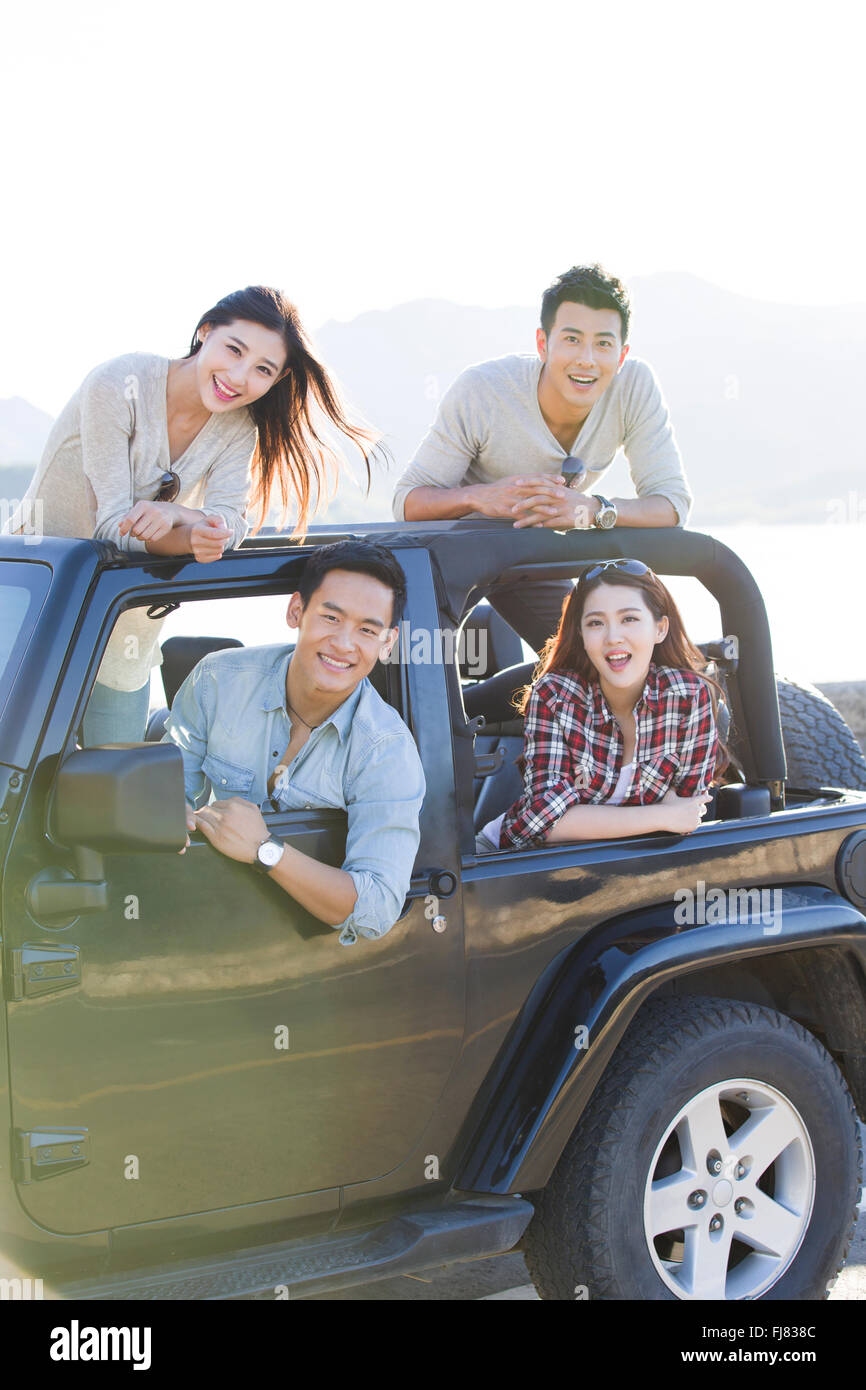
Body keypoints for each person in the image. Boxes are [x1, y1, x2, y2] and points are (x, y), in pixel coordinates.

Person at [3, 286, 383, 744]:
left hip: (127, 627)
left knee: (113, 788)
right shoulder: (119, 384)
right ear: (205, 332)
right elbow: (110, 528)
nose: (239, 377)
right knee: (20, 779)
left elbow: (230, 521)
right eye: (234, 350)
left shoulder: (239, 428)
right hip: (32, 615)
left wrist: (186, 519)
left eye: (263, 370)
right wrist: (190, 536)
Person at [392, 264, 692, 651]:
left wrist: (589, 510)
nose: (587, 359)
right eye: (571, 339)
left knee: (588, 662)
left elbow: (673, 505)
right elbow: (407, 501)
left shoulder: (634, 385)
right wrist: (477, 497)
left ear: (621, 355)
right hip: (449, 558)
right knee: (426, 681)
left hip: (533, 553)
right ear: (542, 344)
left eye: (603, 344)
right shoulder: (483, 390)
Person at [163, 541, 425, 946]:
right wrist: (166, 809)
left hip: (302, 956)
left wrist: (266, 850)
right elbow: (170, 786)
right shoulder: (218, 680)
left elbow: (375, 910)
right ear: (296, 611)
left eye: (367, 630)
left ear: (387, 643)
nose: (343, 643)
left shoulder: (385, 750)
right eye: (331, 618)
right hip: (201, 920)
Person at [477, 559, 726, 851]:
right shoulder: (555, 696)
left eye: (629, 619)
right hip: (514, 857)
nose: (613, 638)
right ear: (581, 635)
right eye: (596, 623)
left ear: (660, 629)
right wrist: (661, 815)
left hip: (624, 865)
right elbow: (539, 824)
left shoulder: (690, 697)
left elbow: (687, 814)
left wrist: (670, 817)